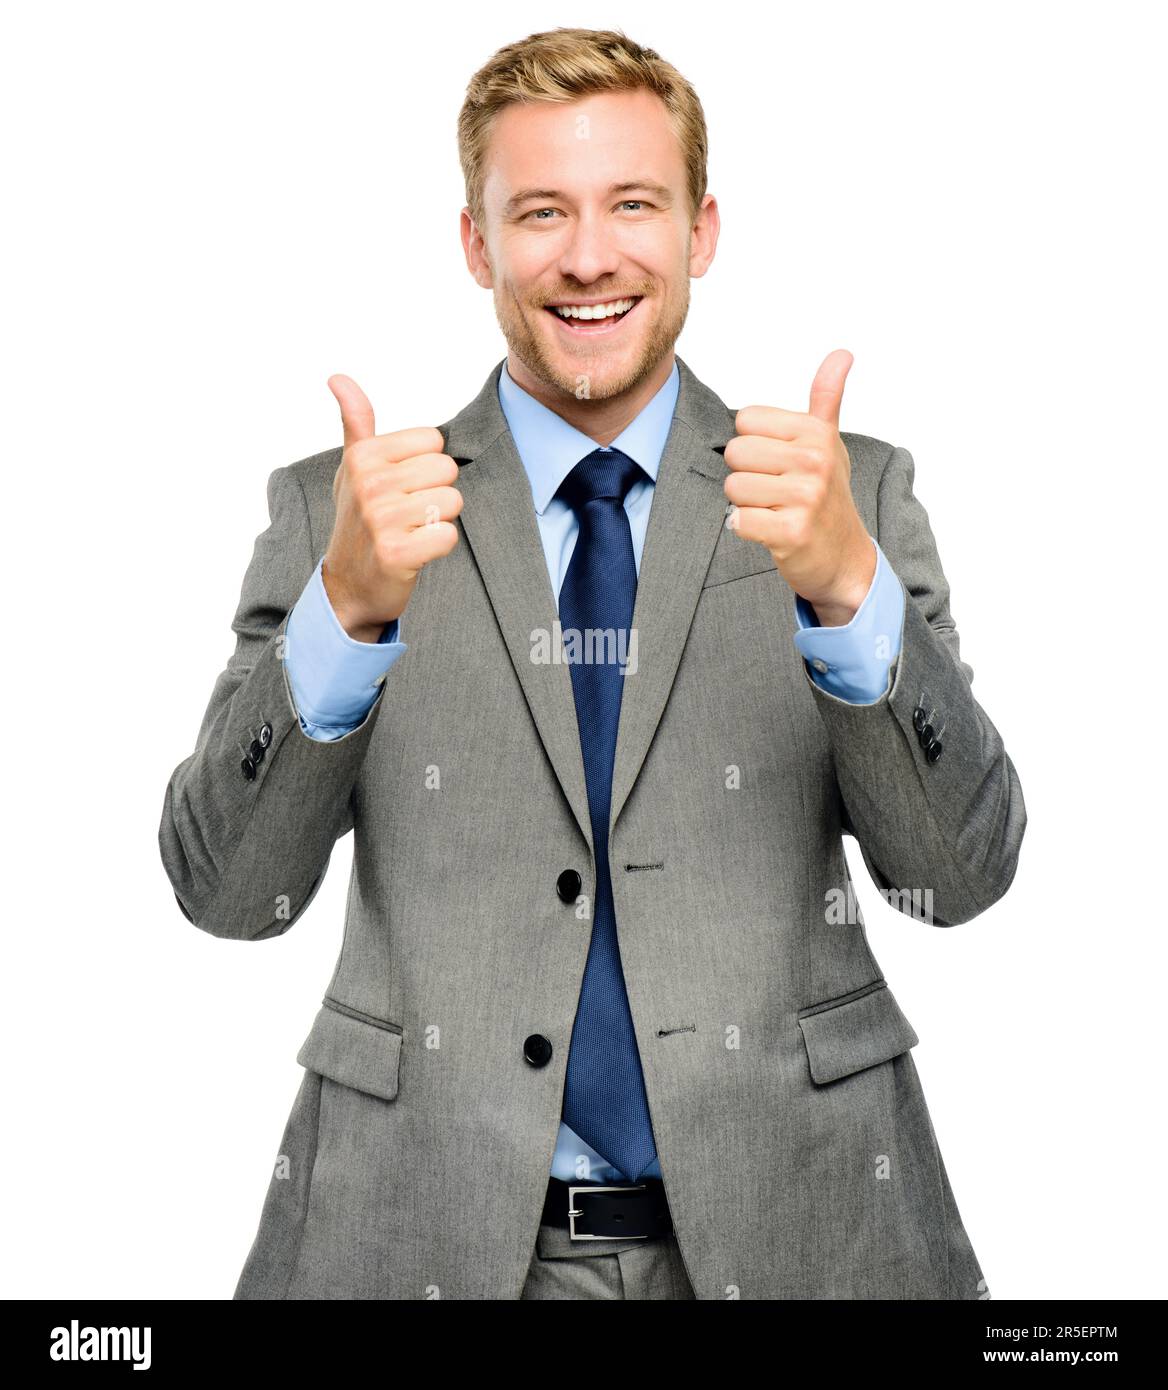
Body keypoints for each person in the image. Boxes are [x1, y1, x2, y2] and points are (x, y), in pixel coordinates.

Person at [159, 26, 1026, 1300]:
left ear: (701, 230)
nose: (586, 256)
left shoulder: (851, 497)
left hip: (806, 1232)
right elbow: (228, 893)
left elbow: (961, 876)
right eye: (539, 212)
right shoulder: (338, 514)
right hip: (420, 1237)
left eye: (633, 204)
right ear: (475, 243)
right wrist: (344, 608)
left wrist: (849, 591)